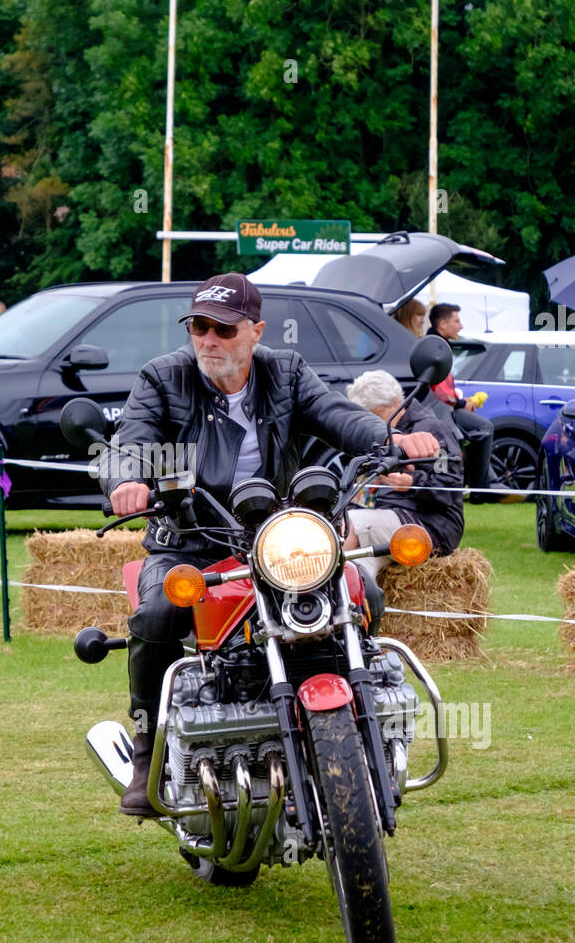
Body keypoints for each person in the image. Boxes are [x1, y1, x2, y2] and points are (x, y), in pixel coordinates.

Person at [101, 272, 440, 818]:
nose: (209, 339)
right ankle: (147, 754)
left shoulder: (285, 372)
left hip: (273, 535)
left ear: (255, 332)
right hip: (190, 536)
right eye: (199, 327)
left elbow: (338, 416)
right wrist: (126, 480)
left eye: (223, 329)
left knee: (364, 594)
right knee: (160, 611)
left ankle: (355, 723)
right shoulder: (163, 378)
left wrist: (391, 441)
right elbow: (132, 439)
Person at [343, 370, 464, 577]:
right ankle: (350, 608)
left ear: (396, 403)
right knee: (356, 567)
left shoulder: (433, 431)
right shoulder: (379, 434)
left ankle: (310, 585)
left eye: (376, 415)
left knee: (349, 526)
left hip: (431, 525)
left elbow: (449, 489)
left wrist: (411, 482)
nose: (373, 423)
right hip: (384, 518)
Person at [426, 302, 515, 501]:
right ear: (442, 324)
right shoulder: (435, 347)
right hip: (441, 412)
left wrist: (461, 401)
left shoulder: (438, 345)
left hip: (445, 409)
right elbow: (437, 390)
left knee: (480, 431)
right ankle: (481, 489)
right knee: (484, 428)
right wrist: (459, 404)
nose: (461, 326)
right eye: (457, 321)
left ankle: (486, 484)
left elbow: (442, 388)